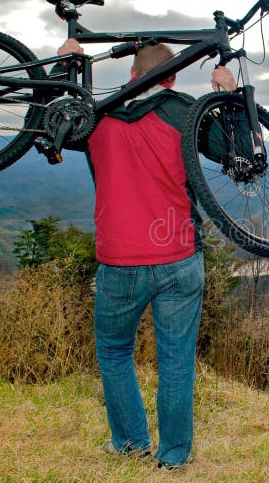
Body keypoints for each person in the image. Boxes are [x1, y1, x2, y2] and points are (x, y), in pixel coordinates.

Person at [57, 38, 236, 469]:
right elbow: (239, 153)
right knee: (176, 362)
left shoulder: (94, 115)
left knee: (115, 353)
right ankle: (173, 458)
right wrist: (227, 97)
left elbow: (44, 128)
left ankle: (130, 442)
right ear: (171, 77)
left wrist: (64, 71)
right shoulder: (185, 112)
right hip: (178, 256)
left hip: (118, 259)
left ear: (132, 74)